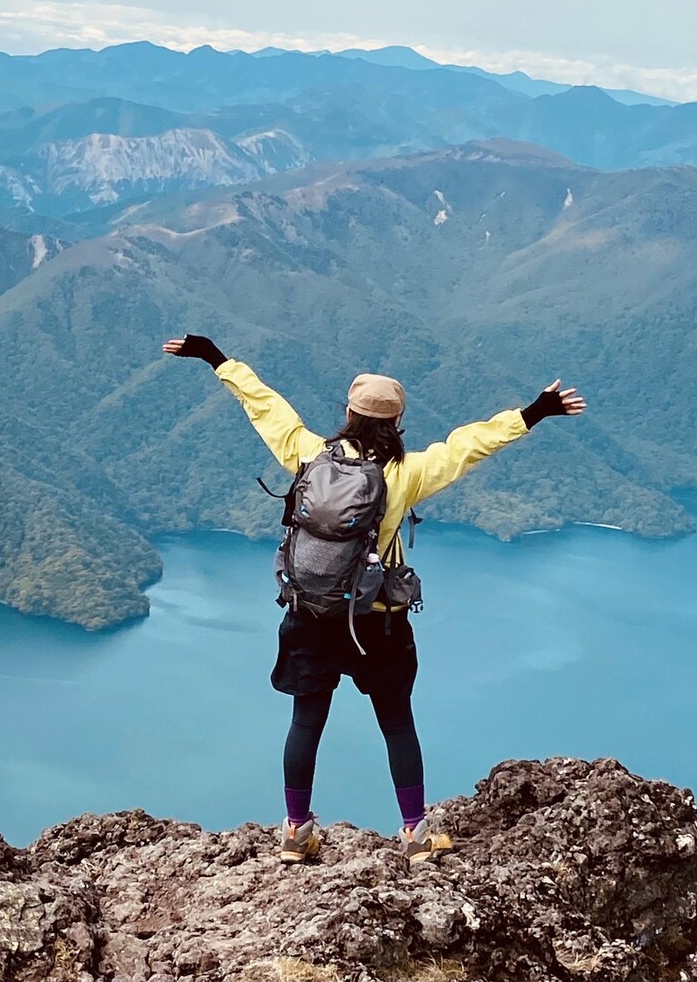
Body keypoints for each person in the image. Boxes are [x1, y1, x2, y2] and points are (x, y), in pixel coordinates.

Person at [163, 333, 586, 865]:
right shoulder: (405, 474)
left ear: (347, 413)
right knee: (397, 723)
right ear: (396, 422)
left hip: (311, 613)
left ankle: (295, 831)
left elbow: (265, 407)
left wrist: (216, 358)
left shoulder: (309, 455)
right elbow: (468, 445)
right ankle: (414, 834)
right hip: (376, 623)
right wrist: (534, 413)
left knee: (305, 722)